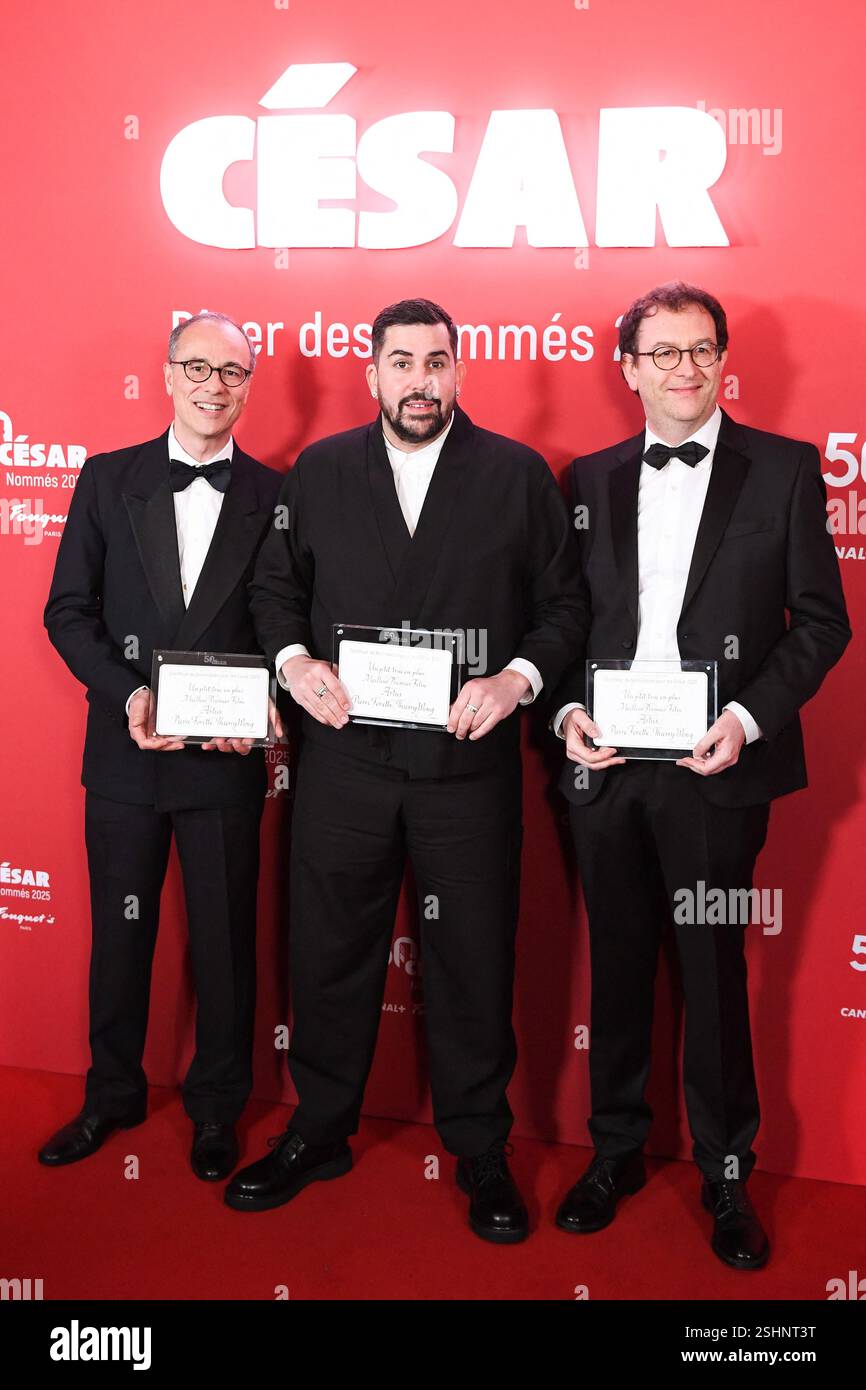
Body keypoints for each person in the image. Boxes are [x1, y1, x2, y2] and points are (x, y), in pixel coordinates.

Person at [226, 298, 583, 1243]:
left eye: (436, 362)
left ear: (460, 371)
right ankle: (321, 1128)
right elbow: (274, 590)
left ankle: (478, 1146)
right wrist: (293, 664)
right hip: (342, 765)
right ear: (372, 373)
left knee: (471, 959)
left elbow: (563, 606)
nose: (418, 379)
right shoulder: (323, 469)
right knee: (329, 951)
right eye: (400, 362)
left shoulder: (516, 476)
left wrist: (518, 677)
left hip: (467, 769)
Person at [550, 282, 851, 1268]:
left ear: (722, 360)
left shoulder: (783, 471)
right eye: (662, 351)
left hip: (716, 770)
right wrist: (562, 713)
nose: (684, 366)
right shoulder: (585, 479)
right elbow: (557, 623)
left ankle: (727, 1179)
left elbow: (819, 624)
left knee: (714, 978)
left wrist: (742, 718)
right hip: (605, 770)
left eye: (700, 349)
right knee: (620, 968)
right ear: (627, 367)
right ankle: (615, 1155)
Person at [40, 312, 283, 1182]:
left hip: (224, 760)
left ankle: (218, 1107)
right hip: (126, 755)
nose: (216, 385)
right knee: (120, 937)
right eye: (199, 367)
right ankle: (111, 1094)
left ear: (249, 386)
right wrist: (132, 694)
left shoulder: (276, 493)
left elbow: (285, 624)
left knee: (224, 942)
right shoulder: (109, 480)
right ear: (168, 375)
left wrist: (265, 703)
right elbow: (66, 612)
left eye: (234, 371)